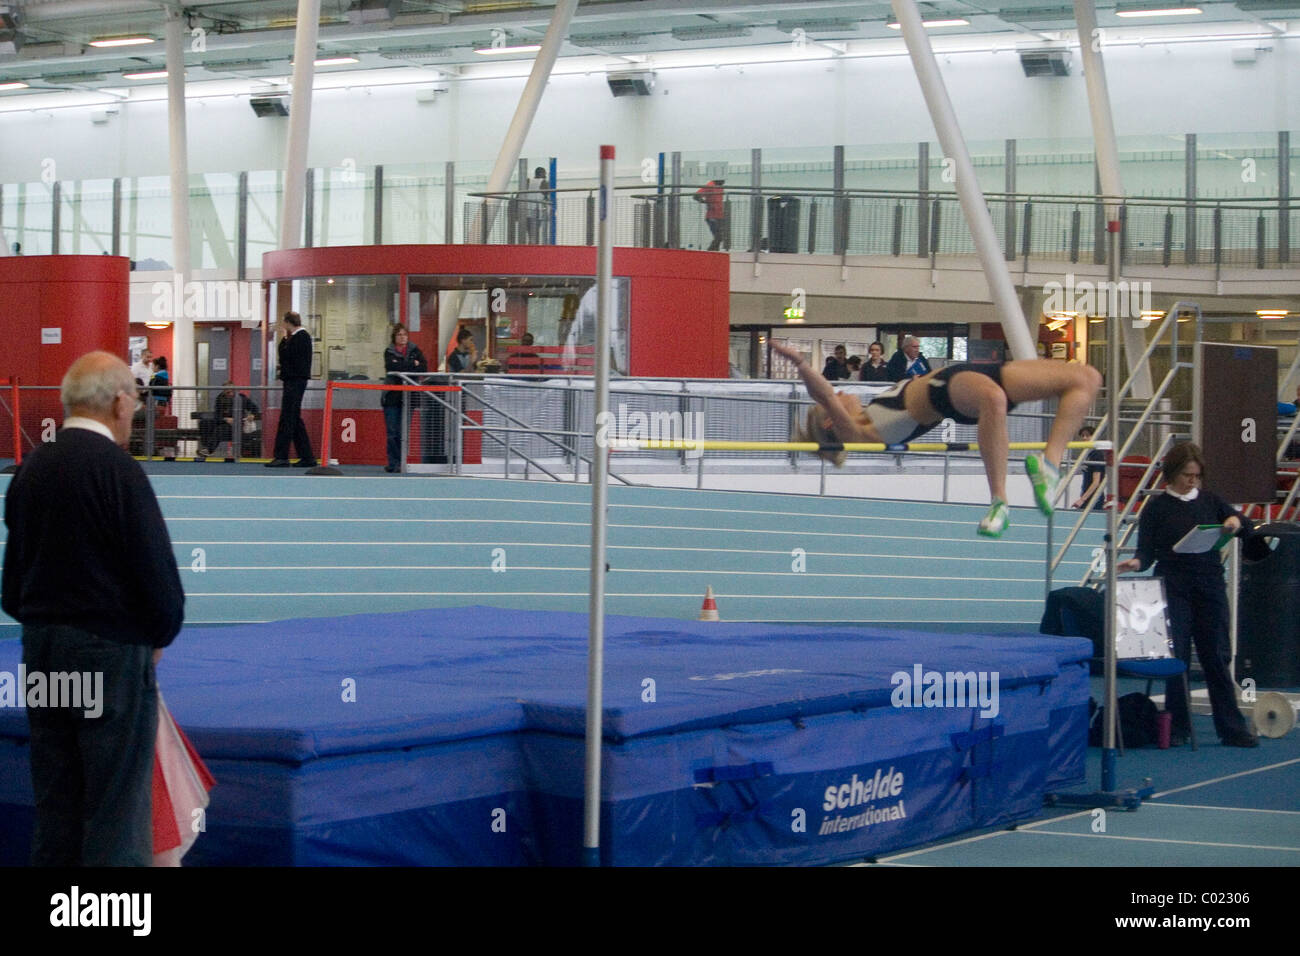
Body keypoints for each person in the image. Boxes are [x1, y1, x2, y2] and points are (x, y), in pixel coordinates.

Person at [2, 351, 185, 865]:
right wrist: (154, 637)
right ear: (120, 402)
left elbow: (12, 589)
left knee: (57, 801)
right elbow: (162, 588)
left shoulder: (30, 470)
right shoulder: (120, 473)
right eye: (136, 401)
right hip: (108, 658)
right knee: (115, 810)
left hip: (44, 656)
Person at [772, 339, 1102, 538]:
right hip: (946, 390)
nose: (843, 392)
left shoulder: (869, 412)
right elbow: (825, 393)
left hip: (968, 374)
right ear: (831, 421)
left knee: (1085, 378)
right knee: (994, 399)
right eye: (839, 396)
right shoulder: (857, 433)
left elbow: (831, 396)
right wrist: (800, 363)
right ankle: (999, 502)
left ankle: (1049, 463)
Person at [1117, 443, 1259, 748]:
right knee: (1177, 657)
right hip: (1174, 586)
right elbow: (1146, 551)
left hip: (1209, 585)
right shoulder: (1156, 508)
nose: (1192, 481)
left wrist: (1234, 523)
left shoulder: (1210, 501)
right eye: (1186, 475)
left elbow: (1242, 523)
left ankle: (1232, 728)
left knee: (1217, 657)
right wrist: (1136, 563)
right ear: (1172, 474)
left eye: (1196, 475)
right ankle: (1177, 726)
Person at [266, 311, 316, 468]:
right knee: (294, 419)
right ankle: (307, 456)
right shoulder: (300, 338)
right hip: (295, 381)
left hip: (295, 381)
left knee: (287, 418)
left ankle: (281, 455)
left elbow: (286, 356)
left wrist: (282, 340)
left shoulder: (300, 338)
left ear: (288, 322)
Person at [381, 324, 428, 473]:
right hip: (392, 397)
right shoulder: (389, 352)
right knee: (392, 431)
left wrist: (403, 365)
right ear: (394, 337)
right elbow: (392, 368)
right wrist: (411, 365)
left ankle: (402, 462)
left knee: (403, 432)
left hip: (409, 397)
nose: (402, 337)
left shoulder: (415, 350)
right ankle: (393, 462)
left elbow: (423, 368)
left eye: (404, 334)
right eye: (399, 335)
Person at [199, 382, 260, 458]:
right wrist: (225, 419)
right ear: (223, 391)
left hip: (237, 425)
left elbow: (255, 408)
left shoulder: (242, 398)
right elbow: (217, 415)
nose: (230, 393)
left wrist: (252, 414)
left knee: (220, 430)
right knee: (204, 423)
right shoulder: (220, 399)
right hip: (223, 421)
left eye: (231, 391)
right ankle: (205, 447)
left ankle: (208, 450)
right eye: (227, 391)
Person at [1072, 425, 1106, 509]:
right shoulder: (1087, 454)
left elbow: (1096, 482)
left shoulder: (1097, 455)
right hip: (1086, 494)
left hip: (1094, 498)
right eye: (1083, 436)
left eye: (1087, 435)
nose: (1084, 438)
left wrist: (1082, 500)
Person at [694, 179, 726, 251]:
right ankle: (710, 251)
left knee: (719, 236)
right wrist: (706, 202)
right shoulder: (710, 186)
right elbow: (696, 196)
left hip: (719, 215)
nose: (724, 182)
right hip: (712, 215)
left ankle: (714, 252)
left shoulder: (720, 187)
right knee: (719, 236)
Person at [525, 166, 549, 245]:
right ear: (541, 173)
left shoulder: (528, 181)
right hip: (537, 210)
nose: (545, 175)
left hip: (526, 210)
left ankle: (530, 246)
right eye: (544, 173)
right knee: (535, 233)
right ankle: (534, 248)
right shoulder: (543, 182)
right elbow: (547, 194)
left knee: (530, 233)